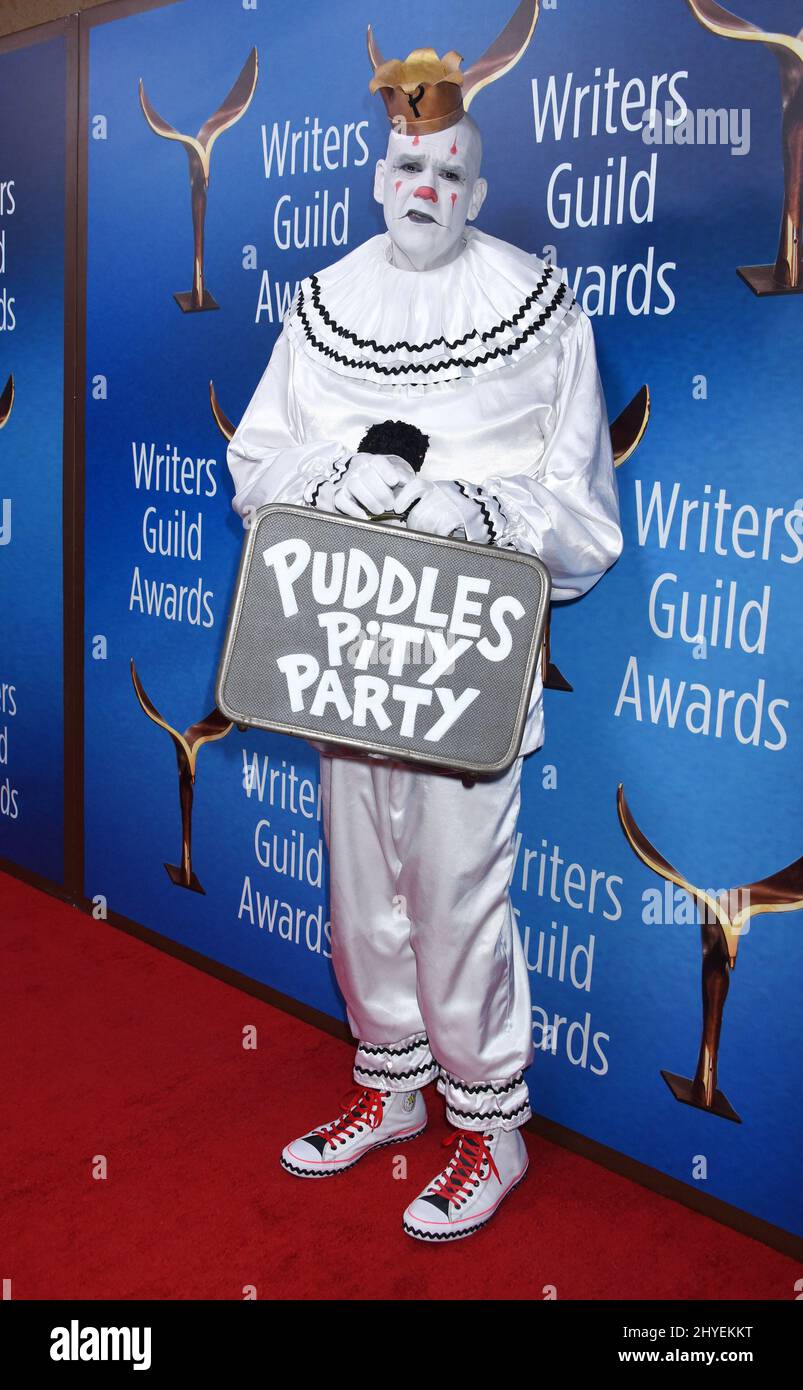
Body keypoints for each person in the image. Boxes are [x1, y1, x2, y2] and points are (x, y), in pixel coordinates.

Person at [226, 1, 623, 1242]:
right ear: (374, 168)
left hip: (466, 666)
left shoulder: (542, 311)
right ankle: (391, 1088)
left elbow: (585, 524)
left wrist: (472, 508)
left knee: (457, 890)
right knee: (362, 889)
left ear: (475, 180)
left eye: (448, 170)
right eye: (406, 164)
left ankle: (488, 1126)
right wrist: (334, 482)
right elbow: (255, 468)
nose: (425, 184)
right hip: (341, 654)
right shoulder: (322, 303)